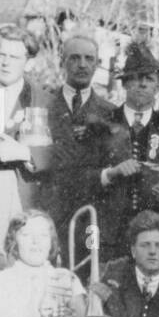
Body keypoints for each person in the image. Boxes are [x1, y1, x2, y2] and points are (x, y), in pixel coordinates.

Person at [98, 43, 159, 262]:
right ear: (125, 83)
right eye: (136, 77)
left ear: (158, 86)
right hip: (111, 235)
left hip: (156, 239)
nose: (143, 83)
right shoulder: (102, 126)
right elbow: (82, 177)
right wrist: (109, 173)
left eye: (149, 78)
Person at [0, 24, 53, 247]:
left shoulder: (46, 101)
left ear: (29, 62)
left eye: (15, 57)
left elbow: (66, 153)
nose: (6, 63)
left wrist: (25, 152)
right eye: (1, 55)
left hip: (24, 194)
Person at [46, 32, 116, 236]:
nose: (82, 65)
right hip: (49, 213)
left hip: (91, 219)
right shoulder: (44, 105)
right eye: (74, 58)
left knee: (89, 265)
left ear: (97, 64)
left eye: (89, 59)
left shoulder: (111, 113)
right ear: (62, 62)